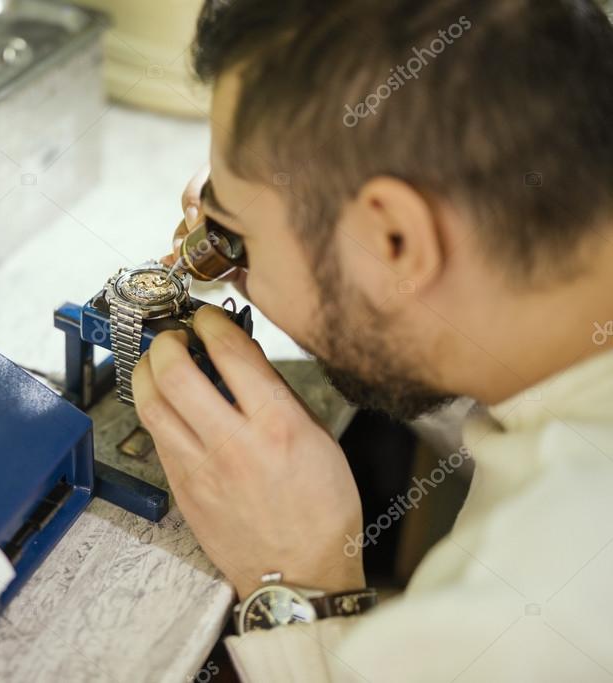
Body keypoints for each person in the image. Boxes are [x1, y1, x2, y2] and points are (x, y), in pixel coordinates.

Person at [130, 1, 613, 680]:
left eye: (235, 234)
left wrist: (300, 577)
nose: (223, 255)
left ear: (392, 240)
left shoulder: (528, 615)